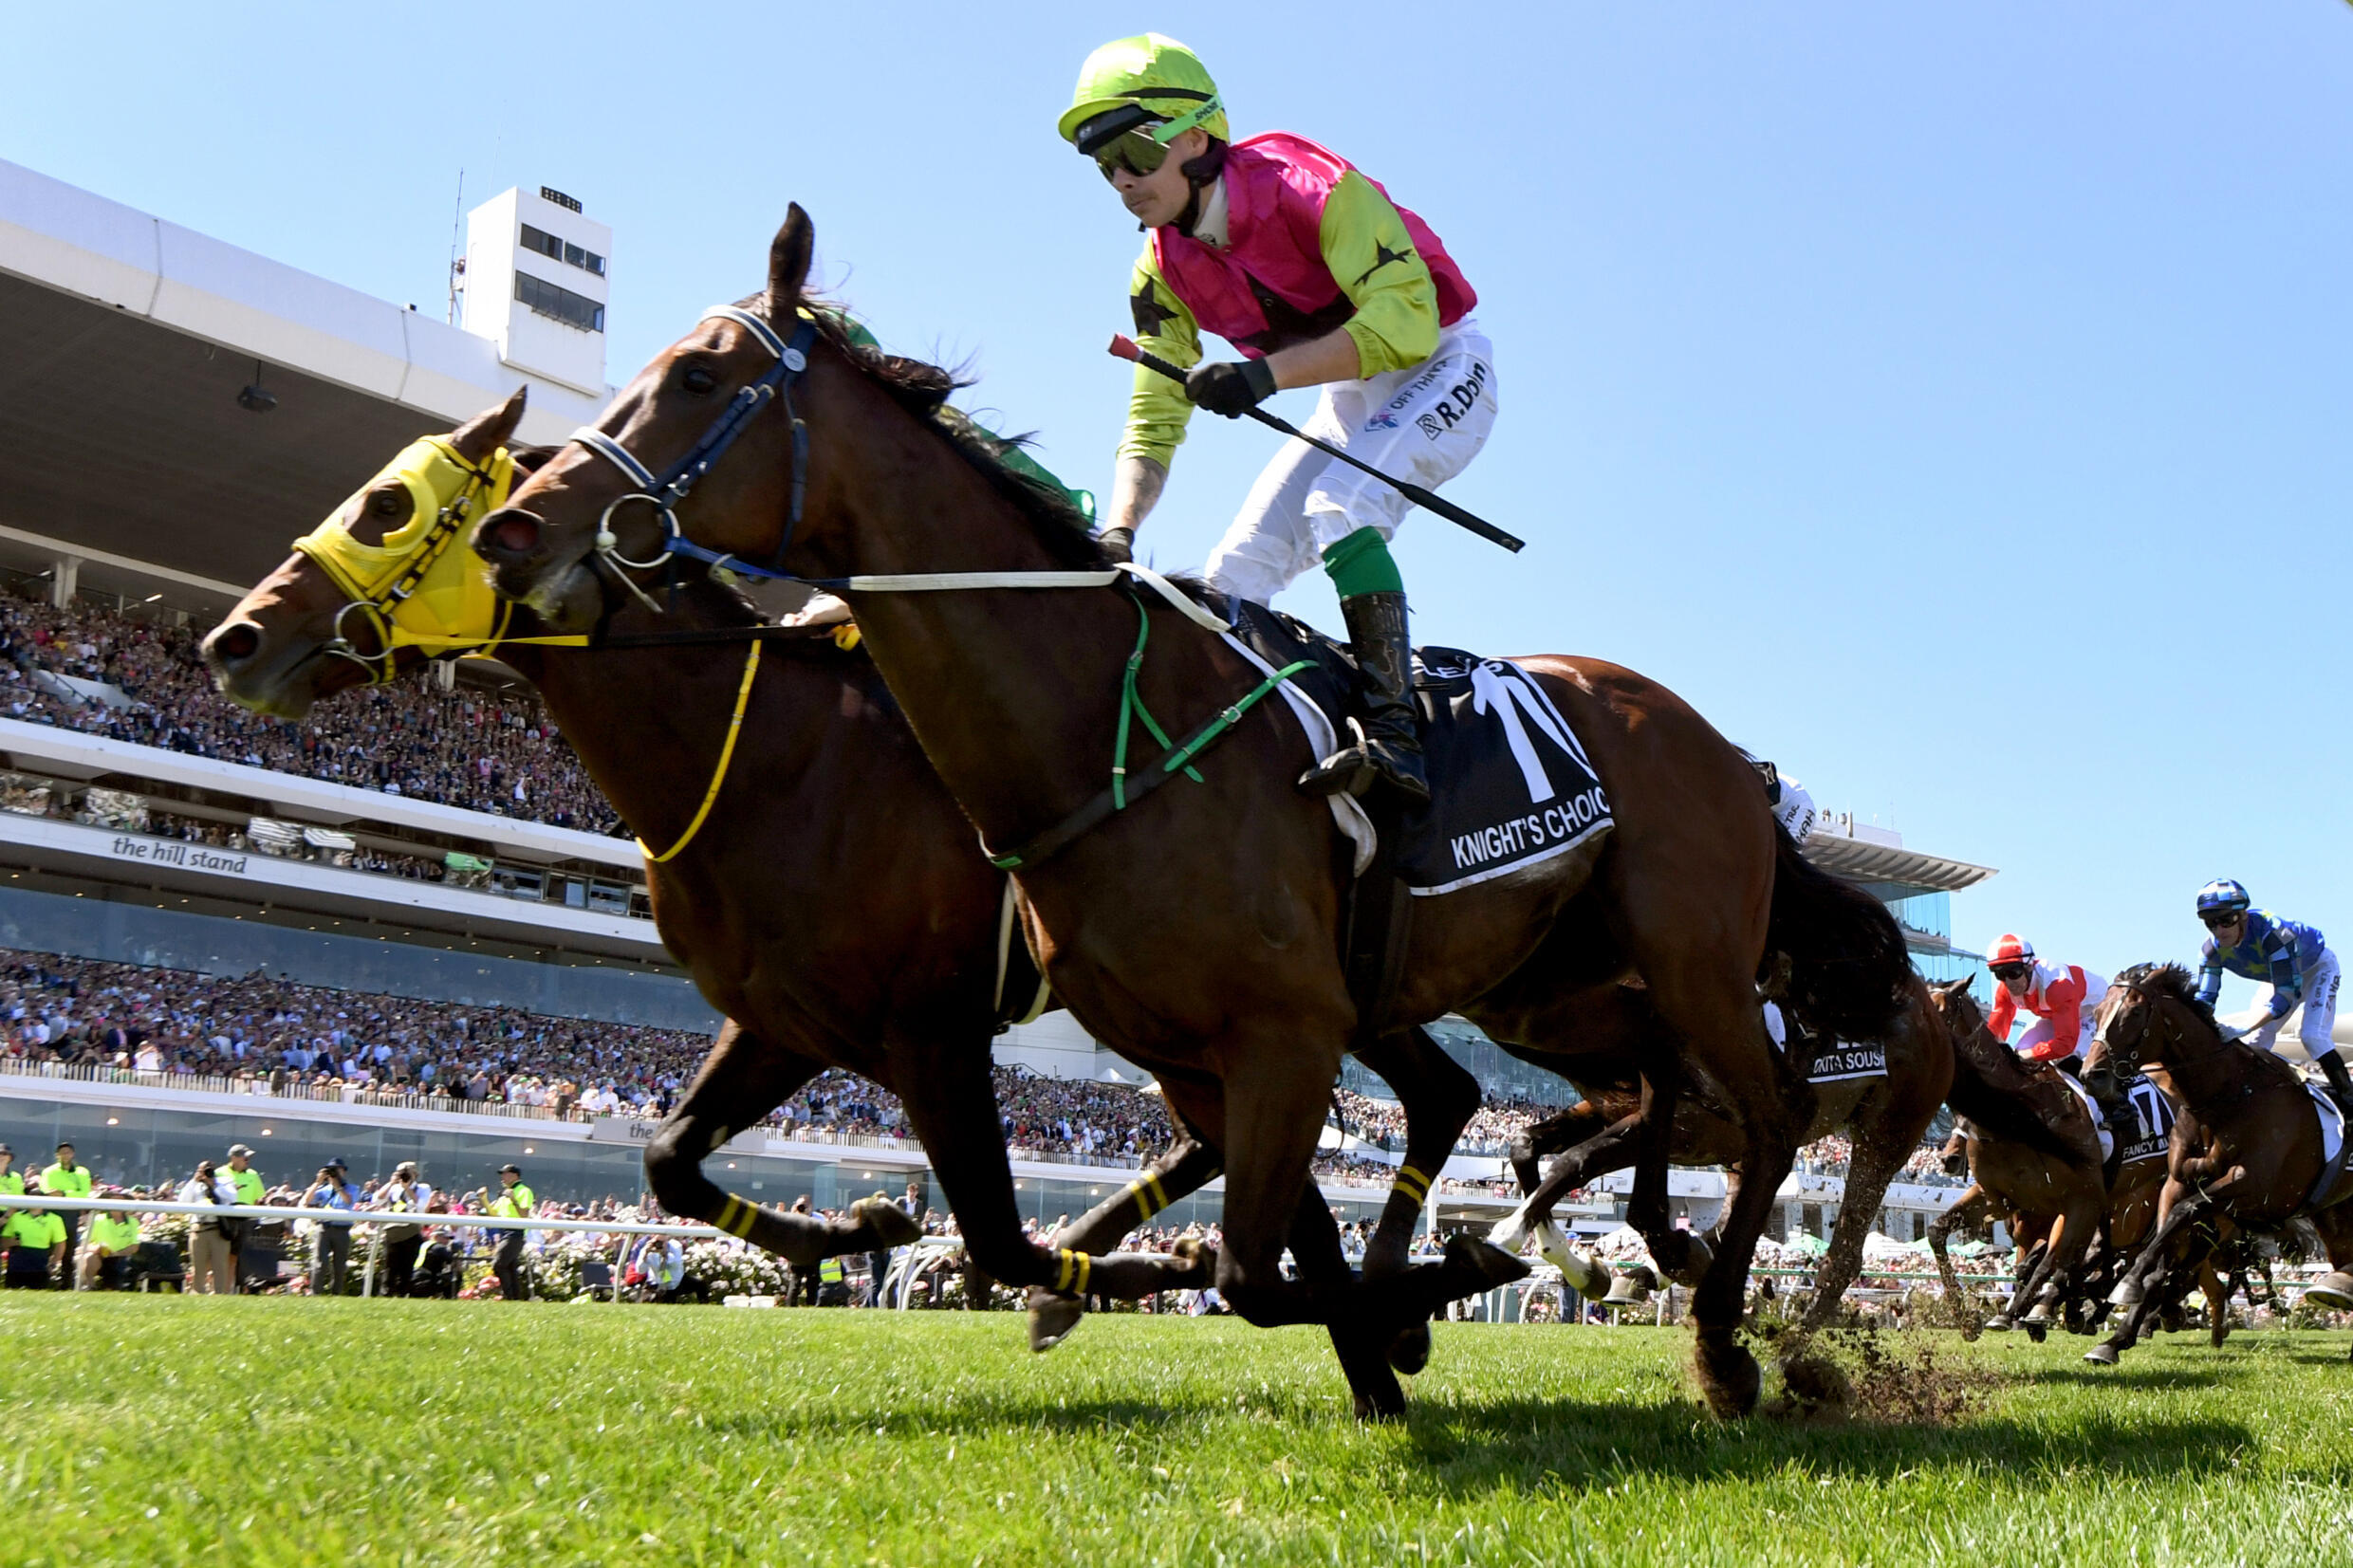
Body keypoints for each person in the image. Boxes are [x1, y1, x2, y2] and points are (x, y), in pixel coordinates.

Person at [1061, 33, 1497, 802]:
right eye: (1104, 166)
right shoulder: (1161, 265)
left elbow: (1408, 325)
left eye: (1134, 151)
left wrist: (1265, 375)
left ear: (1195, 138)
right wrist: (1120, 530)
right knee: (1232, 581)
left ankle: (1396, 735)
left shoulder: (1309, 185)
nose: (1122, 181)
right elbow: (1155, 408)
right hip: (1353, 398)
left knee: (1342, 504)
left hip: (1445, 367)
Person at [2194, 879, 2352, 1115]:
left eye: (2226, 920)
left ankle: (2349, 1102)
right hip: (2278, 976)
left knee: (2312, 1036)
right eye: (2211, 923)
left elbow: (2286, 994)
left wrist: (2244, 1026)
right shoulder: (2210, 951)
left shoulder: (2275, 935)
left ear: (2243, 915)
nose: (2220, 930)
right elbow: (2205, 1000)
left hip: (2317, 968)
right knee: (2255, 1042)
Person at [1985, 936, 2108, 1074]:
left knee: (2063, 1059)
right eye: (2000, 974)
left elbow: (2065, 1044)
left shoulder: (2057, 985)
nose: (2008, 982)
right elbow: (1995, 1033)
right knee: (2019, 1051)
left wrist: (2031, 1054)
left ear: (2029, 966)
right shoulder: (2005, 989)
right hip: (2058, 1016)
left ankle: (2100, 1094)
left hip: (2096, 1014)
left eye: (2013, 972)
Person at [176, 1158, 238, 1295]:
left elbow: (232, 1198)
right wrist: (194, 1181)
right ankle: (197, 1293)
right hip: (199, 1229)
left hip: (218, 1229)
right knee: (198, 1267)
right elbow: (182, 1202)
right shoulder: (195, 1185)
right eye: (202, 1170)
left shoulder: (225, 1182)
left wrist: (213, 1184)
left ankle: (219, 1294)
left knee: (220, 1266)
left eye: (208, 1169)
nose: (205, 1172)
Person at [301, 1158, 361, 1298]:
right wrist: (317, 1182)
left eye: (337, 1169)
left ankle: (336, 1293)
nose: (334, 1173)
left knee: (339, 1265)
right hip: (324, 1228)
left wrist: (337, 1186)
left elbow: (348, 1201)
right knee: (320, 1263)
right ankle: (315, 1293)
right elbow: (307, 1201)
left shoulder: (353, 1188)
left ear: (343, 1171)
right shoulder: (324, 1189)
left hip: (342, 1229)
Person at [39, 1142, 91, 1287]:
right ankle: (44, 1280)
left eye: (68, 1152)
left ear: (73, 1154)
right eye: (62, 1152)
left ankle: (66, 1283)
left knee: (68, 1250)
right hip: (51, 1212)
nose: (65, 1154)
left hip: (70, 1214)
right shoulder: (49, 1171)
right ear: (57, 1155)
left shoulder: (82, 1172)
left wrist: (64, 1193)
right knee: (47, 1246)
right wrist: (59, 1193)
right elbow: (44, 1188)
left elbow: (84, 1193)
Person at [376, 1164, 425, 1298]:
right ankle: (386, 1296)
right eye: (401, 1172)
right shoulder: (393, 1188)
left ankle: (404, 1295)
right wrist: (391, 1183)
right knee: (389, 1269)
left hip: (410, 1233)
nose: (403, 1175)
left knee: (406, 1269)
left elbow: (421, 1206)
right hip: (392, 1233)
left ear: (415, 1173)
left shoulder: (423, 1188)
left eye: (407, 1172)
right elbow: (377, 1200)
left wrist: (407, 1188)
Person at [487, 1163, 534, 1302]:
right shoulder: (504, 1194)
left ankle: (509, 1297)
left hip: (516, 1233)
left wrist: (513, 1200)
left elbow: (524, 1214)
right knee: (510, 1267)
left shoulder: (524, 1191)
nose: (502, 1177)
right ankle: (514, 1298)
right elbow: (493, 1214)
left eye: (505, 1174)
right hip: (505, 1233)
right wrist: (483, 1199)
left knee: (499, 1265)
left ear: (515, 1176)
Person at [81, 1197, 141, 1291]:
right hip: (100, 1256)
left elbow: (134, 1246)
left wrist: (116, 1254)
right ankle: (90, 1286)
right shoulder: (97, 1219)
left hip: (122, 1258)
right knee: (89, 1257)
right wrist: (96, 1248)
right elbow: (84, 1243)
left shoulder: (133, 1222)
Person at [3, 1200, 63, 1289]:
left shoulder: (55, 1219)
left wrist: (53, 1263)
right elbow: (3, 1242)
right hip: (16, 1265)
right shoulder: (15, 1217)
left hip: (40, 1265)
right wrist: (11, 1242)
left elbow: (60, 1244)